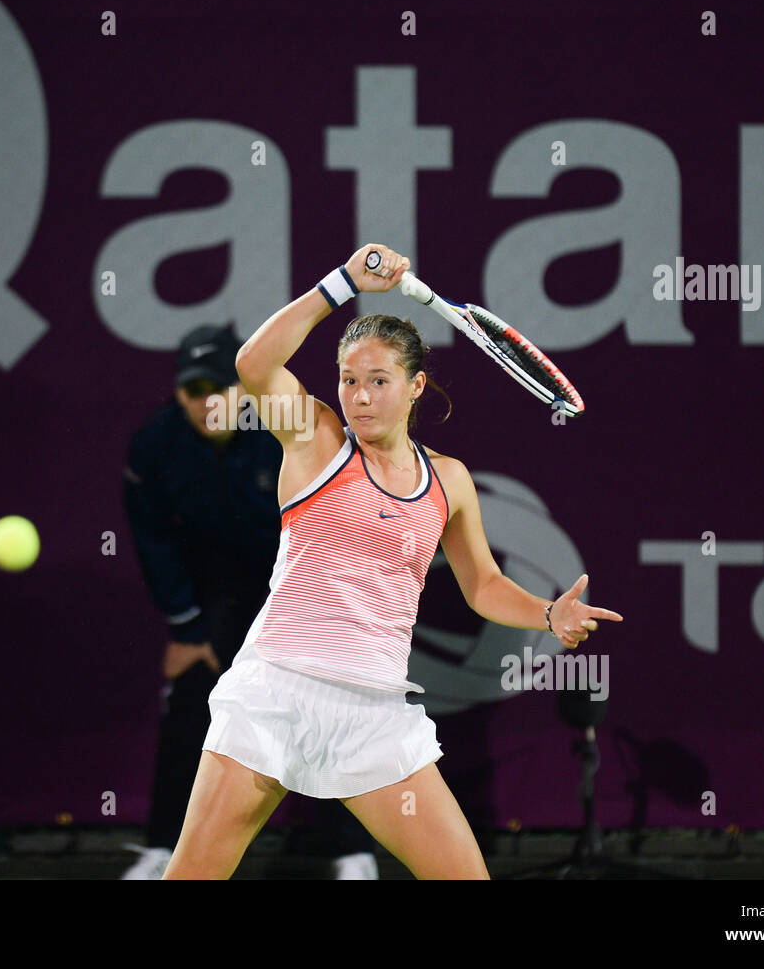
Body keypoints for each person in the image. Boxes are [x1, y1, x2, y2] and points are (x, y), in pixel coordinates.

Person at [162, 245, 624, 880]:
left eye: (379, 381)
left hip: (374, 716)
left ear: (416, 385)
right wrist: (342, 284)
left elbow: (482, 584)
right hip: (274, 694)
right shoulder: (314, 439)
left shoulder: (449, 482)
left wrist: (547, 613)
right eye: (349, 379)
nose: (360, 396)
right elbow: (254, 364)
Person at [121, 324, 381, 879]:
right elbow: (155, 540)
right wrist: (187, 627)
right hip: (215, 589)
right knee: (193, 701)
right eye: (195, 391)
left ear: (244, 389)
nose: (207, 403)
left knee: (326, 709)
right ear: (177, 394)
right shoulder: (155, 445)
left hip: (305, 580)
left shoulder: (287, 428)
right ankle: (165, 848)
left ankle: (351, 851)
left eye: (220, 388)